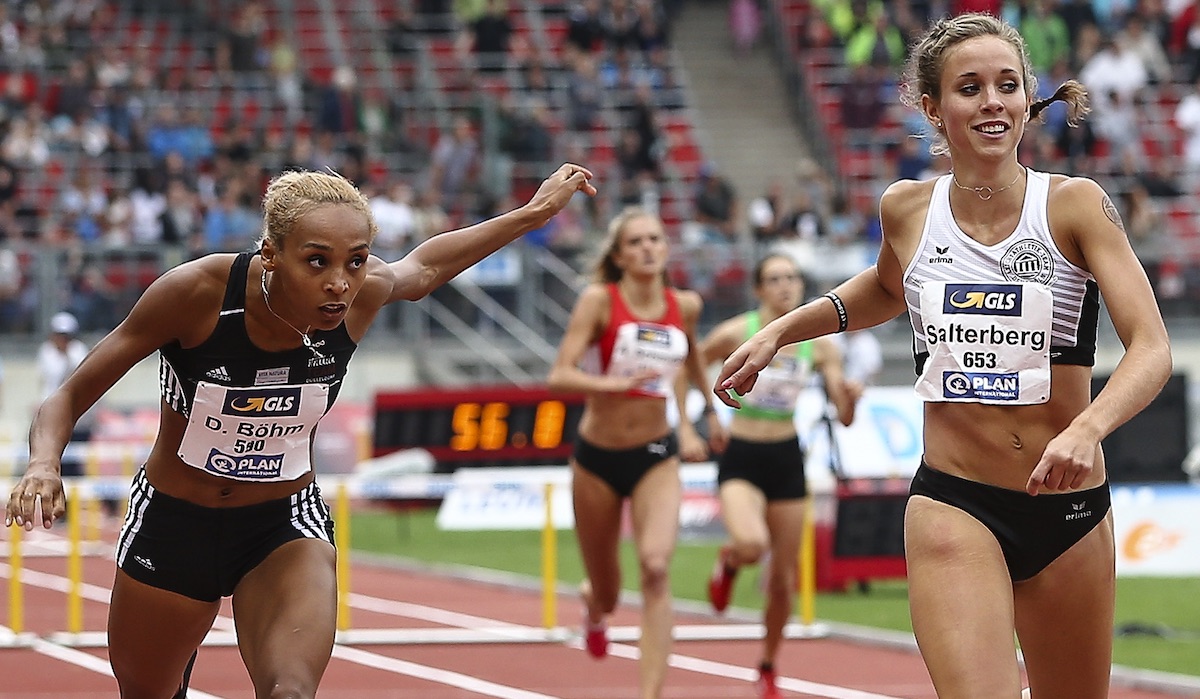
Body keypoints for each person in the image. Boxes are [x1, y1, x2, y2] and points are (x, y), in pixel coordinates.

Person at [6, 162, 595, 699]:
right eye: (317, 261)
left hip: (282, 523)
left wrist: (534, 213)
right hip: (173, 523)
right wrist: (43, 463)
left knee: (291, 693)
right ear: (270, 255)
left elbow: (426, 266)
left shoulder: (360, 298)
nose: (340, 281)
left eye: (357, 260)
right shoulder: (198, 296)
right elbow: (68, 394)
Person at [714, 13, 1172, 699]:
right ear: (932, 107)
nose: (992, 101)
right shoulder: (906, 209)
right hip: (955, 502)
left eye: (1007, 85)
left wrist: (1087, 427)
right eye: (970, 87)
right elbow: (883, 289)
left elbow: (1153, 347)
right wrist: (783, 329)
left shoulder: (1076, 206)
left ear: (1026, 98)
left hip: (1068, 511)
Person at [546, 206, 720, 699]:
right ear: (619, 256)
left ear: (666, 250)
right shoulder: (599, 301)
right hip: (598, 459)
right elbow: (559, 373)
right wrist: (612, 383)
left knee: (657, 567)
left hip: (655, 454)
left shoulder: (684, 304)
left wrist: (697, 418)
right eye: (636, 242)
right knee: (608, 589)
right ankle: (594, 606)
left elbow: (688, 361)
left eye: (655, 239)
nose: (648, 248)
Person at [698, 254, 860, 699]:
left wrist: (852, 398)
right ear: (758, 289)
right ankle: (730, 561)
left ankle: (768, 664)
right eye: (774, 279)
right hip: (742, 455)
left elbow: (843, 417)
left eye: (791, 278)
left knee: (784, 579)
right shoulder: (736, 331)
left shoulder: (820, 343)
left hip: (788, 458)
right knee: (752, 545)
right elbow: (692, 362)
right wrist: (705, 416)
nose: (785, 286)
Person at [36, 312, 93, 478]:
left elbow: (76, 380)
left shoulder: (78, 351)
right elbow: (49, 382)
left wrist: (67, 356)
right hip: (52, 413)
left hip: (77, 416)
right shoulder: (46, 352)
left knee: (75, 460)